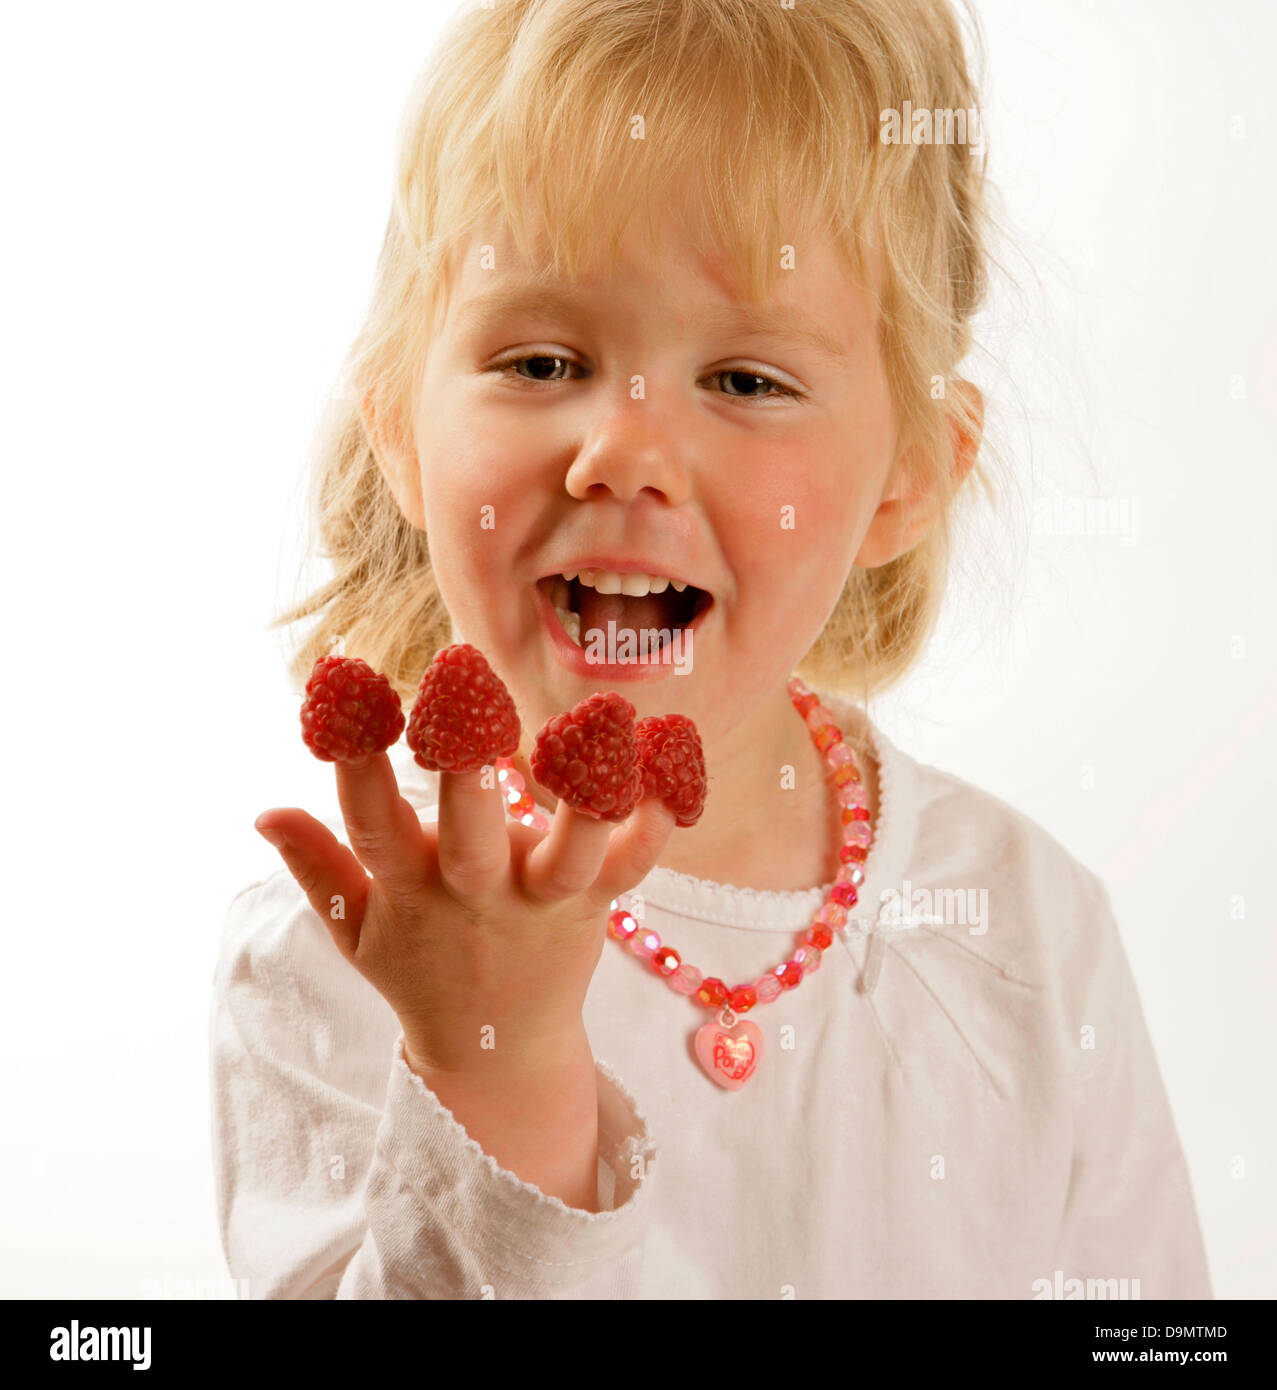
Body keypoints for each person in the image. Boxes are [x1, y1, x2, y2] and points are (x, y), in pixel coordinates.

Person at [210, 0, 1212, 1298]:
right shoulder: (337, 941)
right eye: (541, 357)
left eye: (745, 381)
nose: (622, 449)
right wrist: (492, 1070)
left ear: (908, 476)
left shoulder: (1029, 924)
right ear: (400, 424)